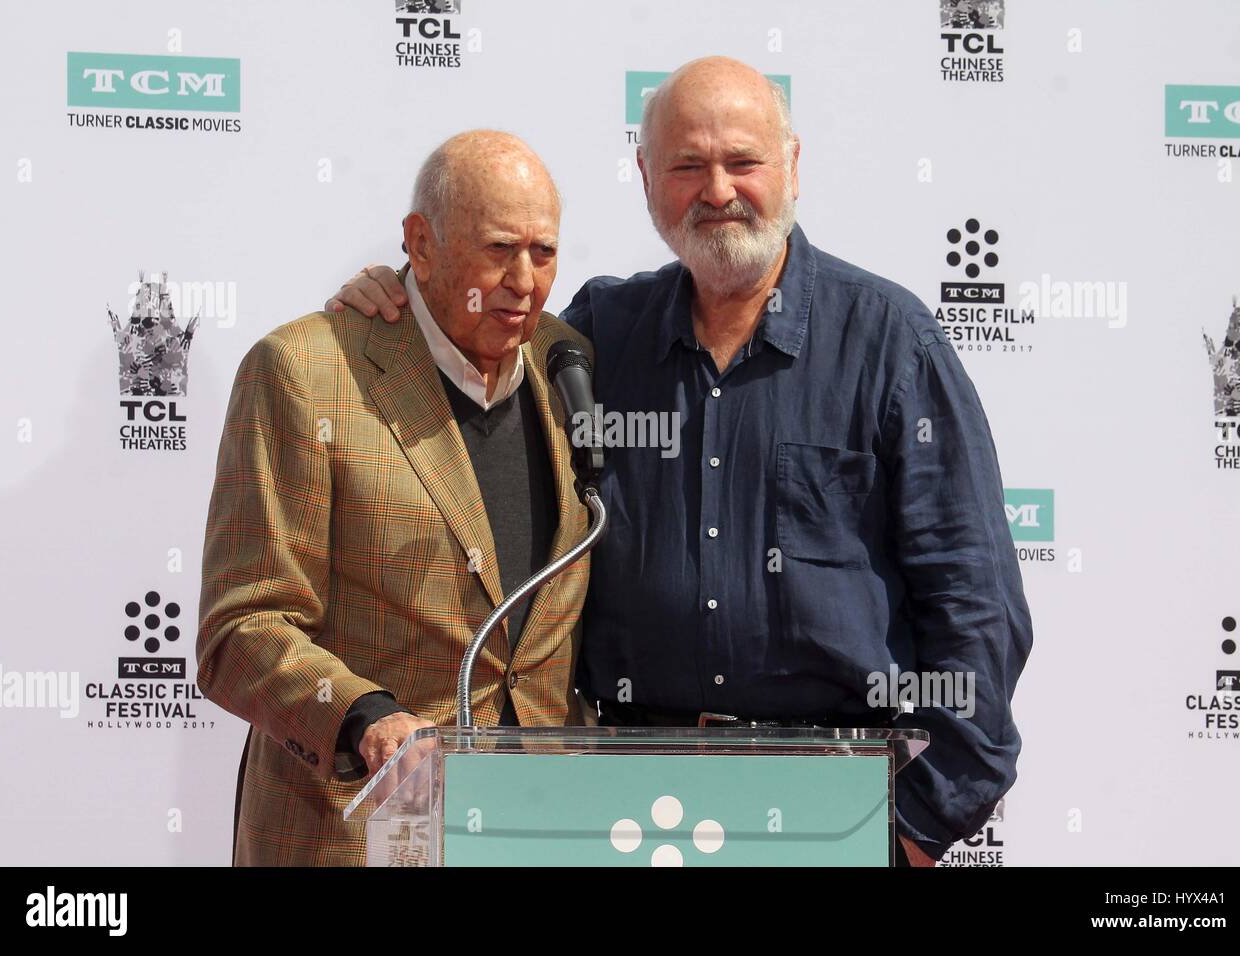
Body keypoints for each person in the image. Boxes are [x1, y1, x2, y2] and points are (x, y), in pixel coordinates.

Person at [327, 57, 1033, 867]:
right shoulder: (595, 338)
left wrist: (907, 831)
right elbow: (471, 349)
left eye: (744, 161)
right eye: (688, 166)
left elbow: (977, 607)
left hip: (833, 808)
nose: (719, 189)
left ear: (793, 166)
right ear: (646, 178)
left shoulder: (891, 344)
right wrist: (399, 298)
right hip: (627, 808)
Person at [197, 130, 593, 866]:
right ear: (421, 241)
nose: (524, 280)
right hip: (358, 827)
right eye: (499, 248)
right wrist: (362, 716)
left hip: (538, 830)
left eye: (544, 252)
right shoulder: (304, 372)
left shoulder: (568, 361)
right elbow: (241, 627)